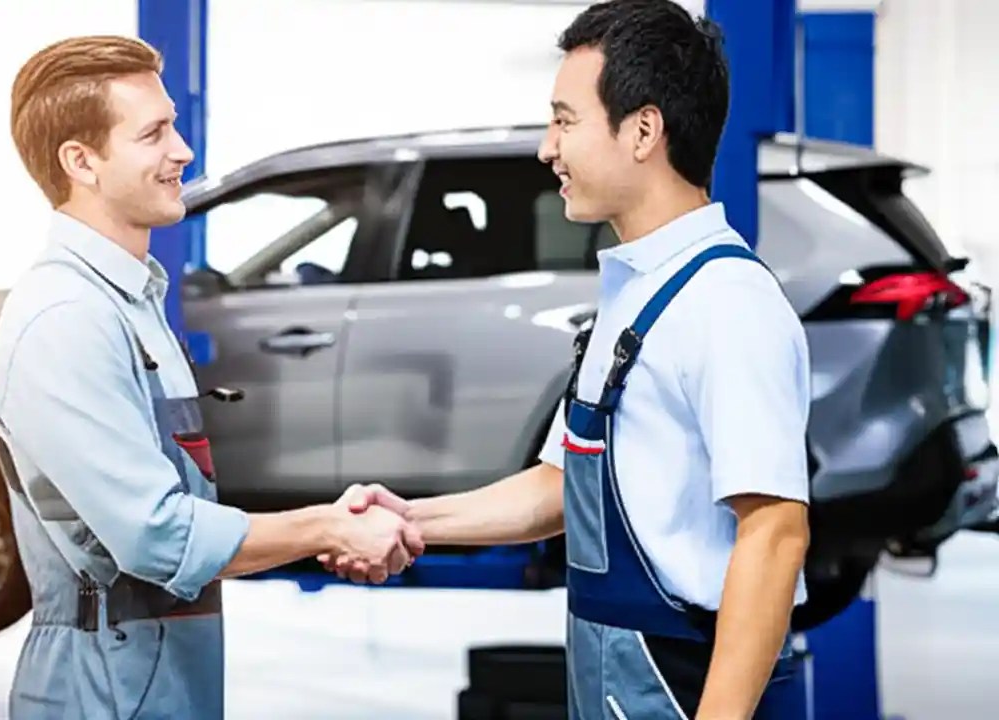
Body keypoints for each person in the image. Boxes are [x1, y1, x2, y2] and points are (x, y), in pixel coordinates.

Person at [325, 1, 812, 718]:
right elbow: (558, 489)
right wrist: (411, 517)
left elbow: (774, 531)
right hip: (614, 668)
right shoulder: (639, 294)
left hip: (684, 681)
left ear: (643, 130)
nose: (547, 149)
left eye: (565, 120)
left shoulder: (725, 302)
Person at [0, 35, 422, 719]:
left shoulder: (128, 302)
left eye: (175, 127)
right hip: (102, 688)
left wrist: (335, 522)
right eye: (154, 133)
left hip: (158, 673)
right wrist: (326, 529)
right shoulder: (65, 319)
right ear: (82, 162)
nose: (183, 152)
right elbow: (156, 537)